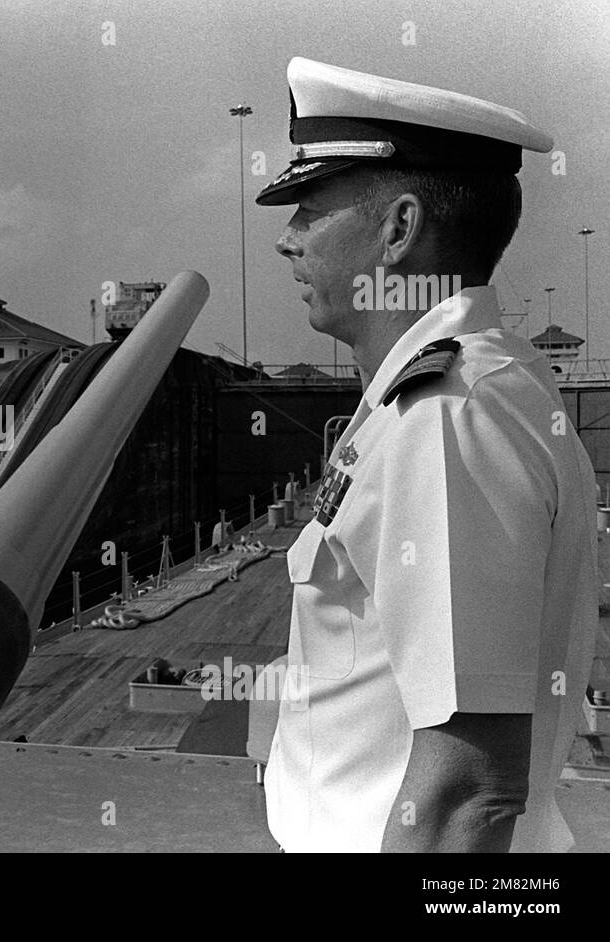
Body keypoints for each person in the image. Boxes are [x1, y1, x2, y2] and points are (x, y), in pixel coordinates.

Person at [256, 59, 599, 852]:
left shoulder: (450, 413)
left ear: (399, 229)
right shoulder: (447, 394)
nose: (287, 239)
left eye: (310, 208)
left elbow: (467, 789)